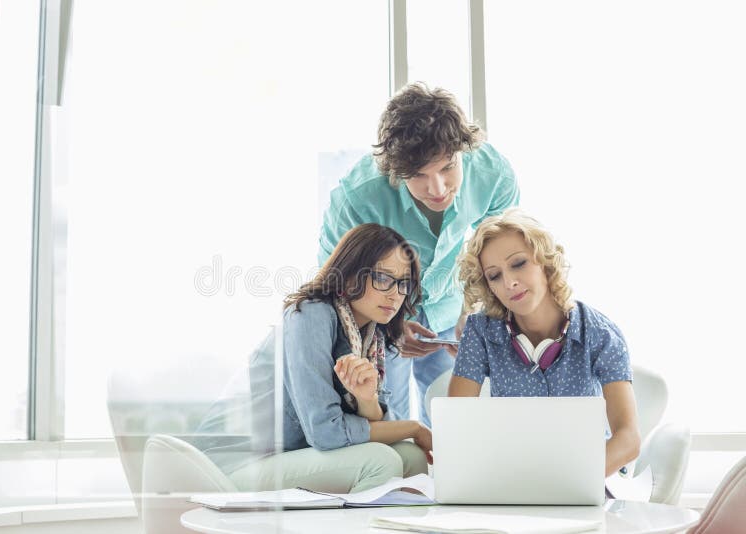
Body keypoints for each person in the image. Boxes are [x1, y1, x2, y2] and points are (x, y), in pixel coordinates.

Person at [318, 82, 519, 425]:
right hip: (379, 313)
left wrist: (475, 309)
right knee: (388, 417)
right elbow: (333, 281)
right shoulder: (357, 197)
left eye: (447, 167)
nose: (437, 188)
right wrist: (389, 326)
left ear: (462, 150)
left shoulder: (493, 174)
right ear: (395, 170)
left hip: (449, 306)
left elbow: (503, 253)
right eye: (418, 175)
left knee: (452, 416)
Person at [221, 224, 432, 493]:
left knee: (411, 456)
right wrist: (414, 428)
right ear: (349, 273)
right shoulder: (310, 314)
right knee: (381, 460)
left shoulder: (371, 337)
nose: (395, 294)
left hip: (302, 457)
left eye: (404, 283)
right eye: (382, 278)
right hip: (252, 464)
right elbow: (326, 432)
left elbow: (375, 422)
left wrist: (367, 399)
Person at [449, 208, 641, 477]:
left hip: (588, 472)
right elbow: (456, 428)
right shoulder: (480, 332)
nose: (509, 282)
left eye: (518, 263)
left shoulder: (600, 334)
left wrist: (569, 480)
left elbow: (629, 439)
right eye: (494, 275)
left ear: (545, 261)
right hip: (511, 475)